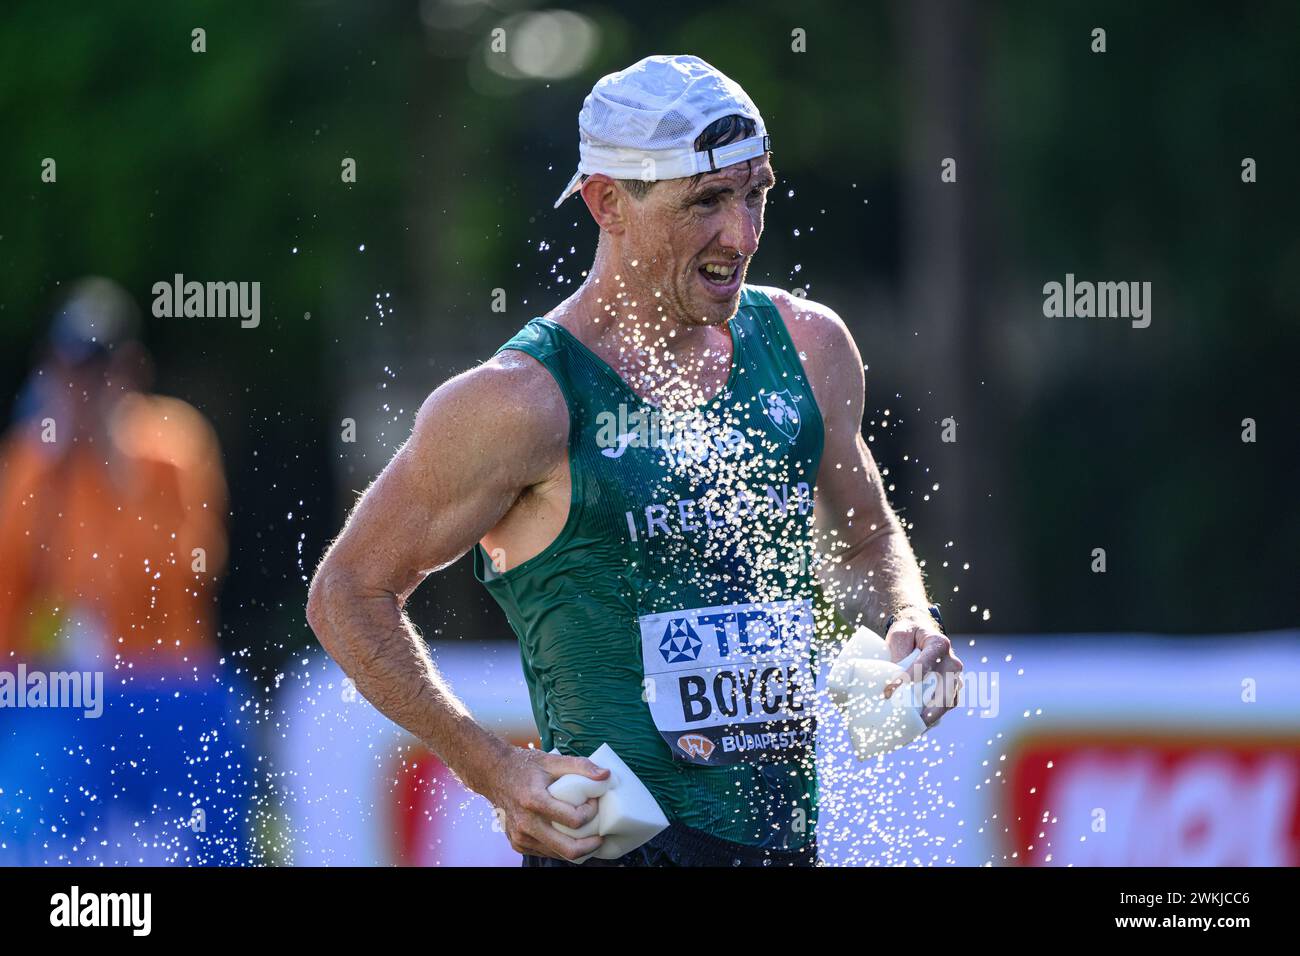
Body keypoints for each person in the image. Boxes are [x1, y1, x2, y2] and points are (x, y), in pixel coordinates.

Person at [307, 54, 963, 866]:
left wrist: (909, 616)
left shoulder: (808, 347)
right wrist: (496, 769)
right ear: (607, 201)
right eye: (707, 202)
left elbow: (864, 543)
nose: (743, 234)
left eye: (756, 191)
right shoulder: (523, 401)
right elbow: (346, 593)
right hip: (618, 853)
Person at [0, 278, 227, 672]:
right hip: (63, 700)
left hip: (163, 685)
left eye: (97, 372)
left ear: (131, 370)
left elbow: (194, 574)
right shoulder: (30, 462)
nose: (82, 390)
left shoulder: (176, 447)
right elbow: (9, 596)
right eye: (68, 372)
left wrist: (118, 470)